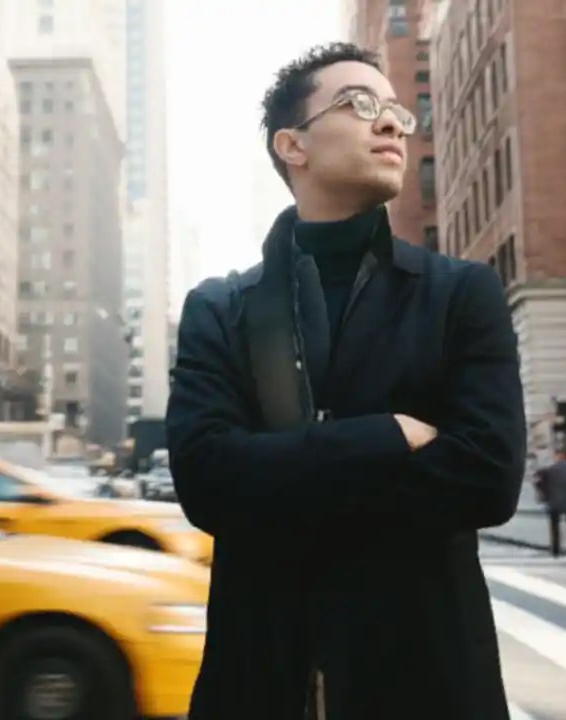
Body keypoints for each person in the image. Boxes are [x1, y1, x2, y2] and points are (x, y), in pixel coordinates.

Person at [165, 43, 527, 720]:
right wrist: (387, 436)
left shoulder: (460, 295)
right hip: (265, 679)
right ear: (292, 145)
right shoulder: (220, 307)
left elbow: (489, 475)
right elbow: (206, 480)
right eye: (360, 104)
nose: (390, 122)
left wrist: (281, 478)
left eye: (395, 109)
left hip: (425, 682)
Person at [534, 452, 566, 558]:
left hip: (554, 501)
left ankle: (556, 549)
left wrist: (545, 495)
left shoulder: (550, 470)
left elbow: (538, 482)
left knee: (554, 526)